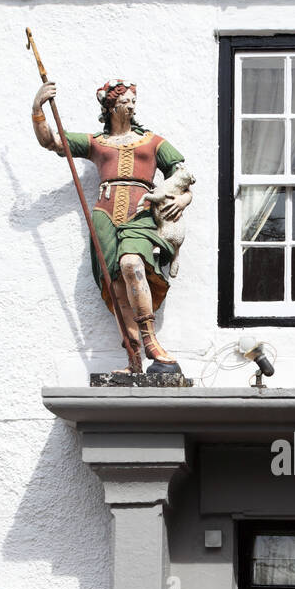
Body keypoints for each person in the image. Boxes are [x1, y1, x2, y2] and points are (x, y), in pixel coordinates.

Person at [31, 78, 192, 371]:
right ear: (110, 106)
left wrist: (184, 199)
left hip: (141, 212)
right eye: (124, 101)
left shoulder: (153, 141)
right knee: (116, 283)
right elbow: (51, 141)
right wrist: (38, 107)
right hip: (105, 214)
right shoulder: (97, 142)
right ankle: (133, 357)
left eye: (133, 101)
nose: (130, 105)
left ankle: (151, 341)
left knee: (132, 263)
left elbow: (181, 174)